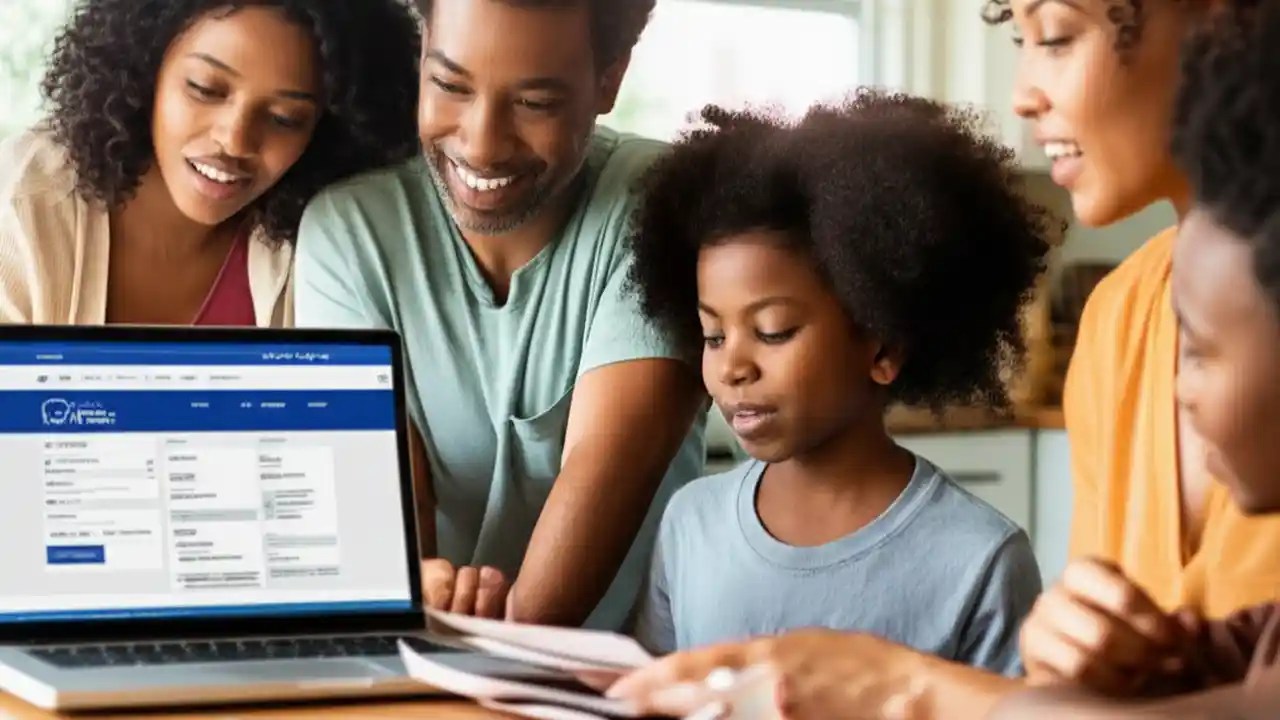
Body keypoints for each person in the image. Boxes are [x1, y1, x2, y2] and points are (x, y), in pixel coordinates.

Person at [607, 3, 1280, 718]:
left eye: (1054, 36)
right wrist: (1078, 663)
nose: (1021, 91)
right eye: (1018, 39)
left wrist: (901, 685)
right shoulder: (1116, 324)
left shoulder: (975, 554)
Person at [292, 0, 707, 630]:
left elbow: (604, 472)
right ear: (422, 51)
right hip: (438, 668)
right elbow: (388, 515)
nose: (481, 144)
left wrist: (456, 647)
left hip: (629, 677)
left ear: (609, 79)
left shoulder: (663, 203)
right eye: (450, 86)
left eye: (534, 103)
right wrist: (412, 585)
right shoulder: (350, 232)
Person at [621, 94, 1050, 674]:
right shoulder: (690, 524)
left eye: (773, 332)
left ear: (882, 344)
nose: (732, 367)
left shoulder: (979, 558)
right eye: (713, 336)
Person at [0, 0, 421, 327]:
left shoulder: (326, 240)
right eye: (205, 89)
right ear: (145, 66)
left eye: (284, 119)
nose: (235, 140)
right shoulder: (21, 208)